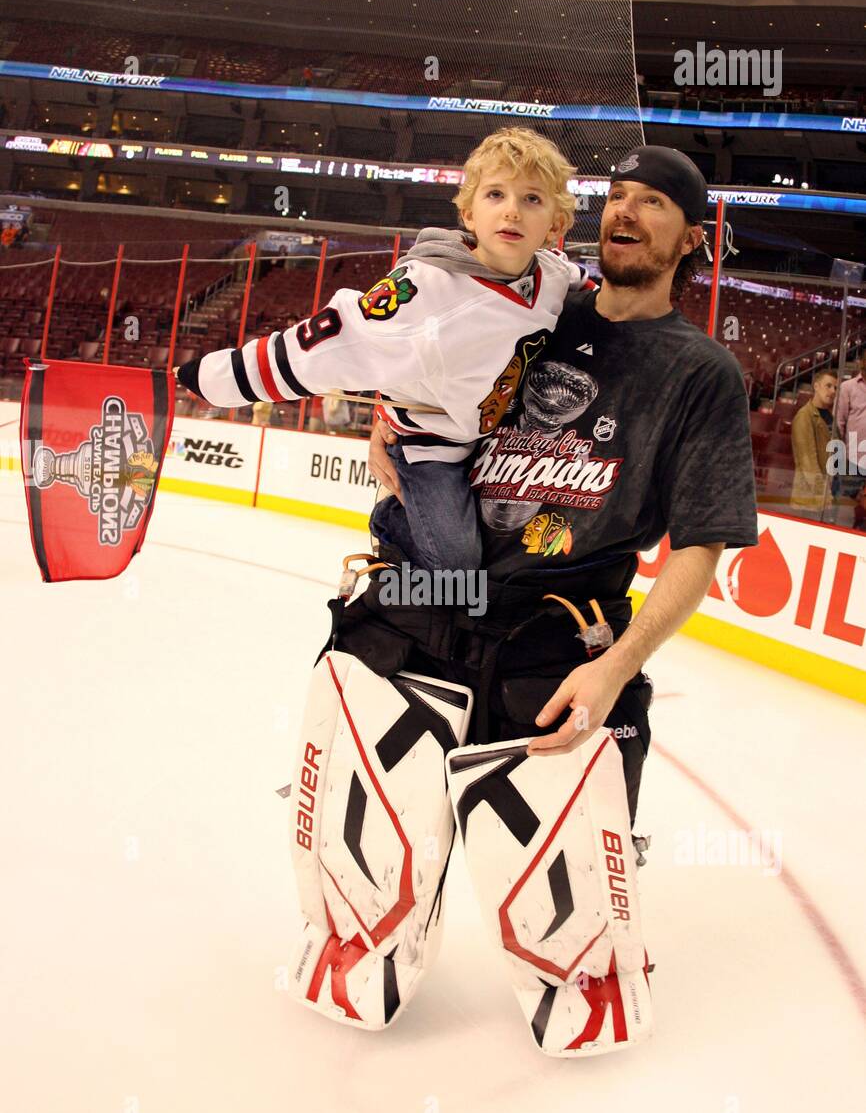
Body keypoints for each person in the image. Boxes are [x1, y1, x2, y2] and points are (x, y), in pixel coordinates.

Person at [284, 146, 759, 1057]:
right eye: (615, 198)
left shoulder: (700, 375)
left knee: (573, 953)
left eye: (653, 205)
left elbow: (699, 550)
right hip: (422, 602)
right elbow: (412, 358)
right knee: (358, 906)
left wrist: (617, 671)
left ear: (693, 239)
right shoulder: (531, 301)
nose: (625, 214)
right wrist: (391, 421)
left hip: (552, 644)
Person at [173, 127, 587, 572]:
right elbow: (331, 341)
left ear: (556, 224)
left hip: (491, 440)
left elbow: (588, 288)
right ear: (467, 213)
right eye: (495, 195)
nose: (512, 212)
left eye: (532, 199)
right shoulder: (425, 292)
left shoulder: (552, 274)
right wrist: (216, 377)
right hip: (428, 445)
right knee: (457, 566)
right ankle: (390, 522)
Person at [790, 370, 836, 515]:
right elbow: (807, 461)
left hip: (826, 493)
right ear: (816, 386)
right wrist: (823, 495)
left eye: (835, 388)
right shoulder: (805, 416)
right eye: (828, 386)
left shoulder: (830, 416)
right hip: (810, 499)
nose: (832, 391)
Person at [835, 347, 866, 522]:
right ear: (860, 362)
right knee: (845, 511)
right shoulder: (847, 387)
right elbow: (839, 422)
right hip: (852, 459)